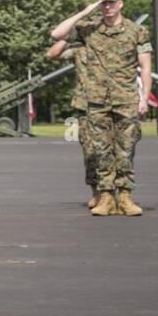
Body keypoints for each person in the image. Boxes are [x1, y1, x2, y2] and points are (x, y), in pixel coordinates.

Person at [50, 0, 152, 216]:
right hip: (96, 101)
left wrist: (144, 98)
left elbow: (145, 67)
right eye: (104, 3)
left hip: (126, 98)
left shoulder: (137, 31)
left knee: (126, 150)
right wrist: (86, 11)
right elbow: (56, 35)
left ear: (120, 4)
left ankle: (125, 197)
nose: (107, 7)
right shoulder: (89, 29)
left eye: (111, 2)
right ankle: (105, 197)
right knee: (101, 151)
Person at [47, 37, 97, 208]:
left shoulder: (116, 44)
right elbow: (53, 54)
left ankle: (120, 192)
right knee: (90, 151)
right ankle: (98, 192)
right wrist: (69, 37)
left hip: (114, 104)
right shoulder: (79, 49)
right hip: (87, 106)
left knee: (118, 151)